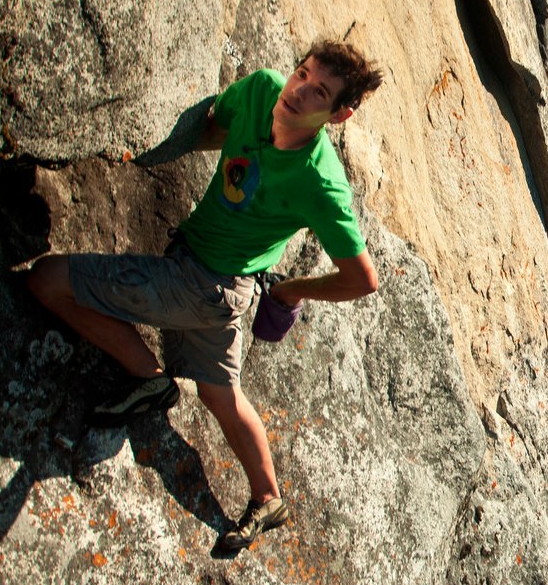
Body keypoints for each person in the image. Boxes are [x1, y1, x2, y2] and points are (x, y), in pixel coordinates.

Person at [28, 41, 384, 549]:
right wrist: (146, 146)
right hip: (219, 288)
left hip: (204, 287)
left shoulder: (320, 184)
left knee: (47, 280)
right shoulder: (261, 91)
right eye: (301, 74)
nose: (299, 91)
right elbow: (216, 126)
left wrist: (288, 290)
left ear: (339, 113)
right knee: (220, 395)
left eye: (320, 92)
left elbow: (362, 279)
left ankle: (148, 378)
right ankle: (268, 497)